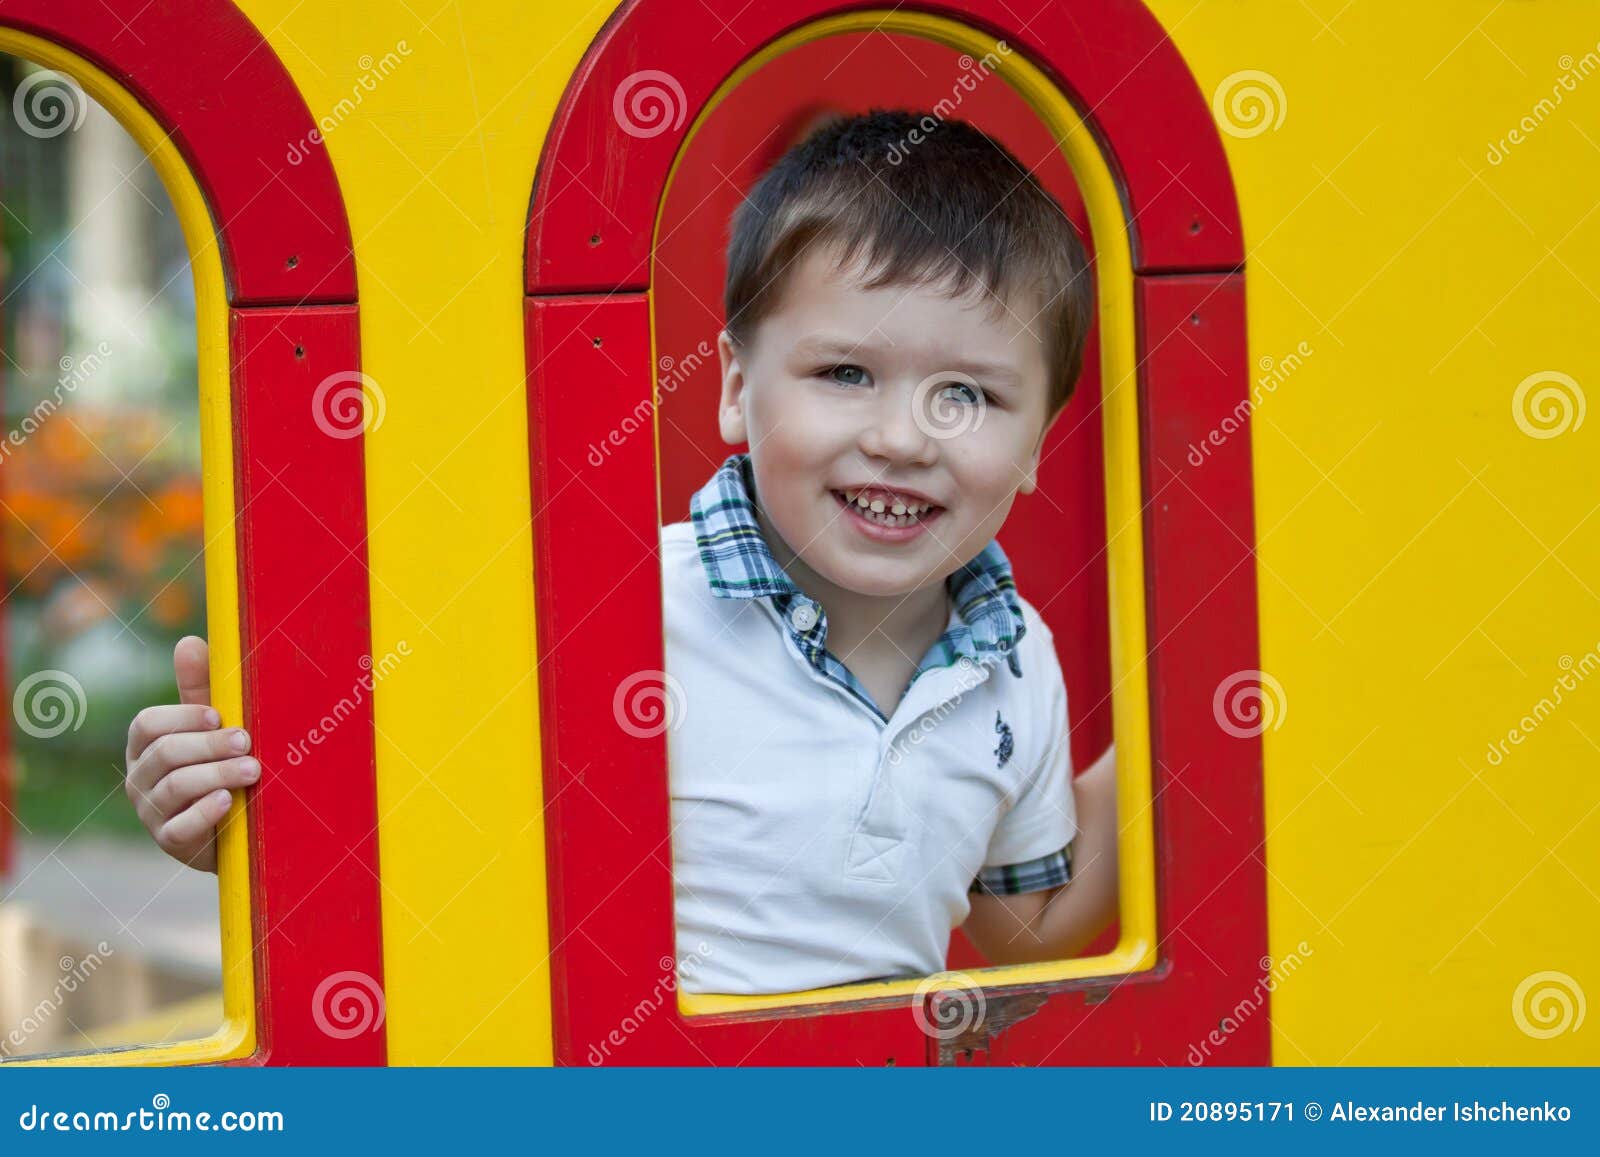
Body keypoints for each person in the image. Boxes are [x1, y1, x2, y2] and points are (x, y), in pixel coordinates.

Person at [124, 110, 1119, 997]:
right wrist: (244, 821)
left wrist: (1179, 745)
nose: (903, 437)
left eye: (969, 396)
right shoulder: (618, 605)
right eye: (845, 372)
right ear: (735, 387)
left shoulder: (1013, 659)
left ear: (1036, 443)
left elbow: (1018, 920)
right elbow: (424, 830)